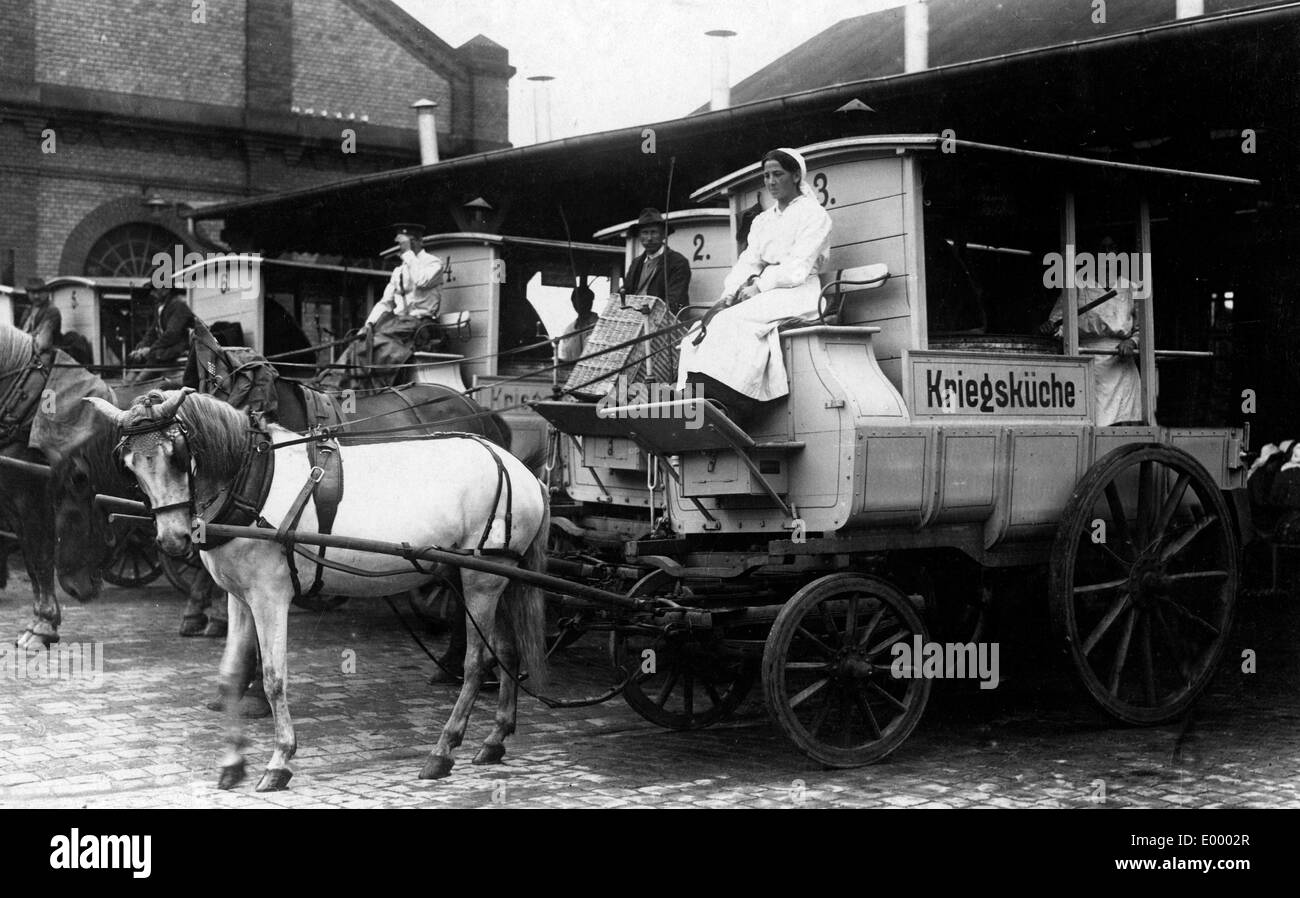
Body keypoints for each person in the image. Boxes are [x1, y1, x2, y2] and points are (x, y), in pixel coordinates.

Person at [676, 147, 832, 419]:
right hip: (765, 291)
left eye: (778, 174)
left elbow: (797, 267)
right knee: (702, 326)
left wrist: (759, 286)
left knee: (732, 322)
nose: (771, 182)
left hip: (799, 292)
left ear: (796, 176)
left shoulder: (815, 215)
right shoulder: (763, 220)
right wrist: (729, 293)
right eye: (766, 176)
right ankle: (691, 400)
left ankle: (732, 401)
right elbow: (748, 261)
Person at [1040, 234, 1142, 426]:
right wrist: (1051, 329)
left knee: (1124, 426)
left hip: (1121, 365)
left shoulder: (1130, 287)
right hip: (1089, 363)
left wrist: (1132, 341)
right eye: (1101, 249)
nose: (1106, 253)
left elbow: (1142, 328)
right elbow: (1059, 324)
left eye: (1111, 248)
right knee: (1093, 424)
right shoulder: (1078, 285)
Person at [330, 223, 444, 387]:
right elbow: (385, 303)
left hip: (420, 324)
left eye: (408, 242)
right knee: (361, 342)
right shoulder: (399, 271)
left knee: (377, 343)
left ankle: (374, 389)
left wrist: (409, 255)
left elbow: (421, 281)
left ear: (419, 242)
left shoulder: (434, 264)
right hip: (398, 323)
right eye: (402, 243)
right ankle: (342, 386)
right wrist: (368, 325)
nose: (403, 247)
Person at [623, 208, 691, 315]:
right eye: (645, 233)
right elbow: (625, 292)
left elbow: (675, 301)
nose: (649, 238)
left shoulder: (678, 262)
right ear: (639, 236)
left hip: (664, 322)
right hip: (635, 320)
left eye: (654, 232)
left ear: (663, 235)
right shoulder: (636, 263)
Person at [126, 284, 195, 384]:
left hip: (175, 353)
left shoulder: (179, 306)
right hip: (161, 354)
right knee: (128, 379)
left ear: (166, 289)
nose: (152, 293)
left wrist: (150, 350)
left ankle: (133, 389)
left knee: (138, 381)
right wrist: (139, 349)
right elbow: (152, 332)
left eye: (154, 289)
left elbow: (172, 334)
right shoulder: (161, 307)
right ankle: (125, 387)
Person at [557, 285, 599, 366]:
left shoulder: (600, 326)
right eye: (576, 301)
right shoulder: (569, 330)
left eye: (585, 301)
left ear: (591, 302)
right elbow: (564, 358)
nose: (580, 304)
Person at [21, 278, 62, 355]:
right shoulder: (28, 311)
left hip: (46, 354)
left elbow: (42, 339)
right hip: (28, 350)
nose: (36, 296)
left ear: (46, 293)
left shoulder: (52, 311)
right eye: (33, 292)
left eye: (40, 292)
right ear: (28, 294)